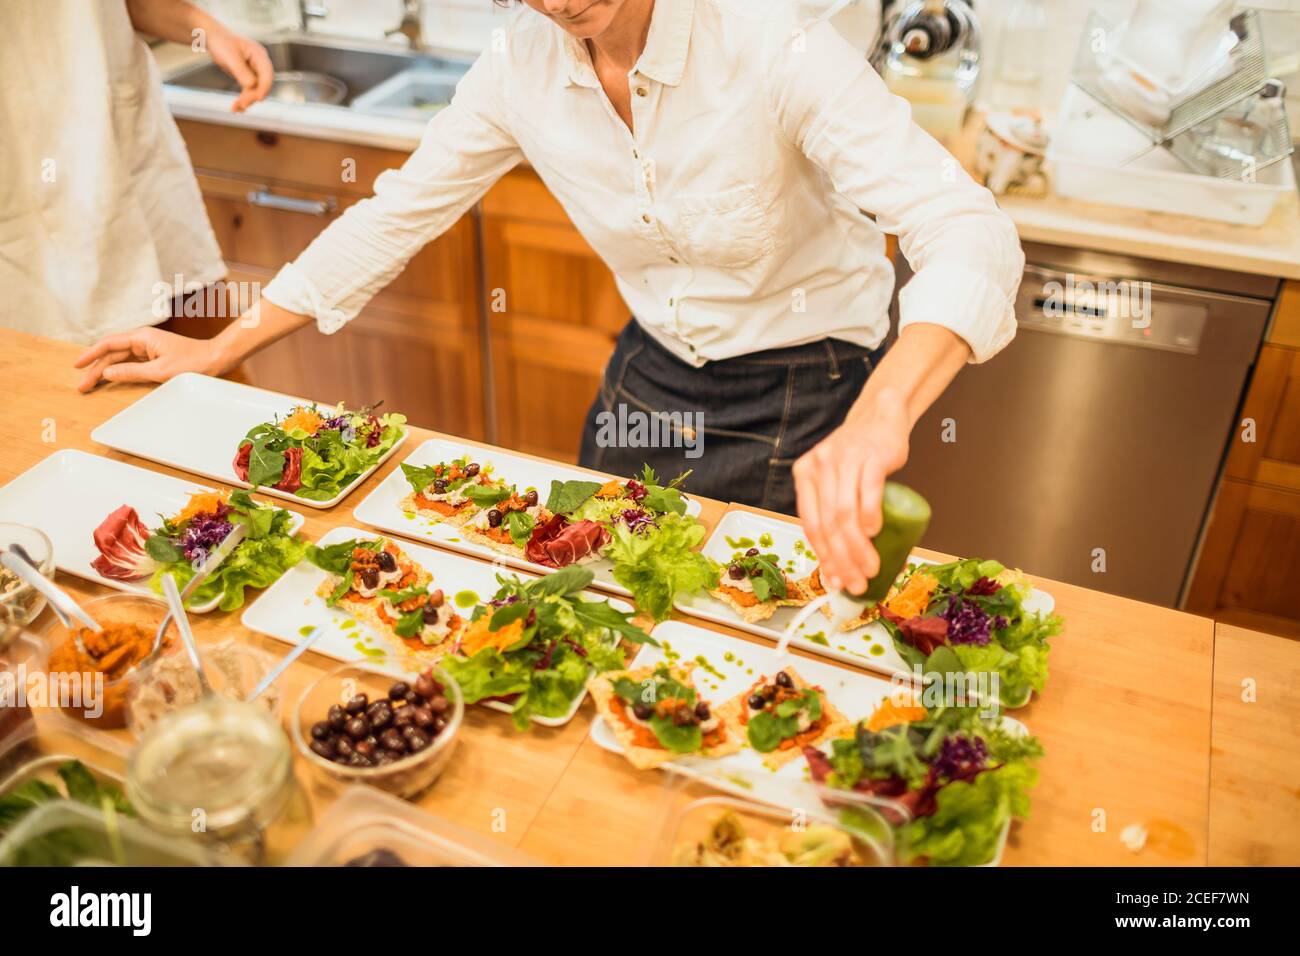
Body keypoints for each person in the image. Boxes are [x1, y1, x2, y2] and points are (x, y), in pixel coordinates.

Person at [74, 0, 1024, 596]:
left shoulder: (773, 41)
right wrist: (218, 348)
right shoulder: (519, 64)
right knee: (578, 593)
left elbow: (968, 228)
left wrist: (879, 415)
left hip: (805, 386)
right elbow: (397, 214)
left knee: (729, 632)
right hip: (652, 369)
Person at [0, 0, 272, 344]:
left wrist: (210, 33)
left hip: (129, 157)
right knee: (58, 372)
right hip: (22, 200)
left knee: (207, 345)